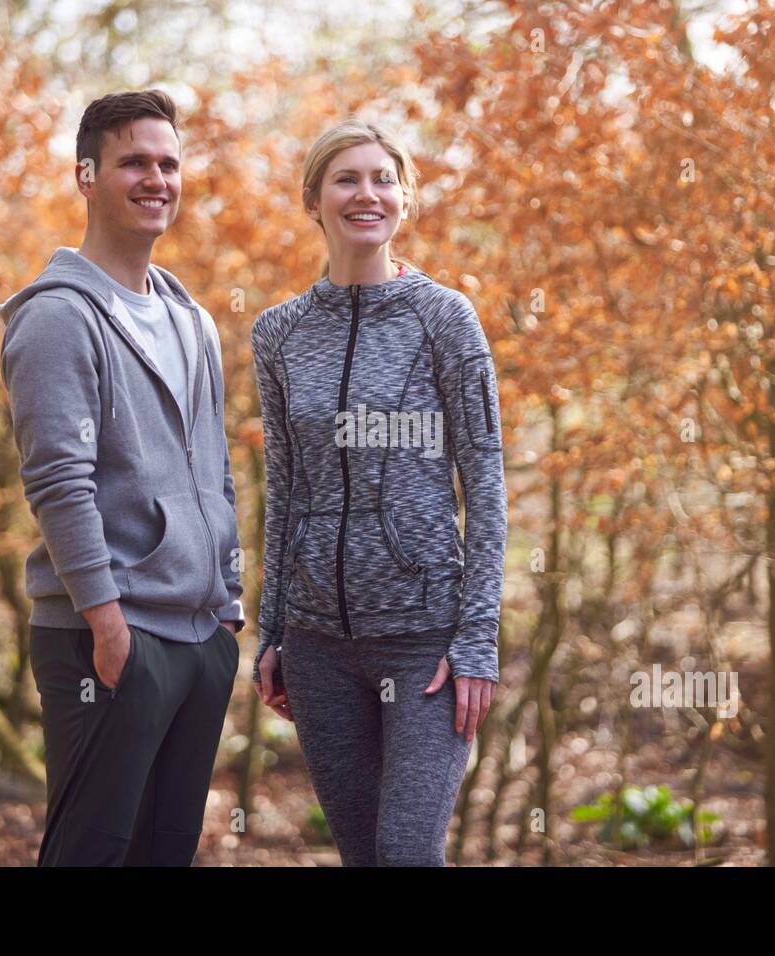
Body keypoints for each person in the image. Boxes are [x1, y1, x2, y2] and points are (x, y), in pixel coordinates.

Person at [250, 119, 508, 866]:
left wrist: (477, 641)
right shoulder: (279, 333)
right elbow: (286, 489)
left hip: (426, 642)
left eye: (383, 179)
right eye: (347, 179)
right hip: (318, 648)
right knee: (363, 857)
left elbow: (485, 480)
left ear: (404, 199)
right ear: (314, 200)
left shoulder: (446, 319)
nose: (368, 194)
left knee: (405, 853)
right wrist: (273, 633)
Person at [0, 90, 244, 866]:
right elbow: (60, 482)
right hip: (104, 640)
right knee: (89, 855)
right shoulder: (58, 317)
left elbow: (219, 471)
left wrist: (228, 608)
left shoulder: (193, 321)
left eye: (168, 163)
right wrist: (108, 624)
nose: (156, 179)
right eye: (134, 161)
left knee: (162, 855)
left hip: (200, 637)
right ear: (86, 175)